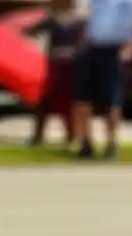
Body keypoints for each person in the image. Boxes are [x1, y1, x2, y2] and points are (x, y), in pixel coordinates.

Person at [71, 0, 132, 159]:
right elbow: (88, 20)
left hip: (114, 48)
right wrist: (82, 43)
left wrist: (131, 48)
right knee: (82, 98)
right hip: (91, 47)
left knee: (112, 99)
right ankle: (86, 143)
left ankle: (112, 143)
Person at [29, 0, 84, 148]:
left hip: (72, 66)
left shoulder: (80, 21)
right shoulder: (52, 19)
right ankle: (38, 136)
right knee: (46, 98)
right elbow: (32, 31)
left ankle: (72, 135)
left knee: (69, 101)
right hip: (54, 65)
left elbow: (84, 43)